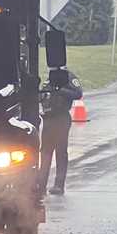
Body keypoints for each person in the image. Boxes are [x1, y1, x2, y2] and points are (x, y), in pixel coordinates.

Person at [39, 67, 83, 195]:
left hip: (61, 117)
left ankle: (59, 185)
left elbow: (78, 94)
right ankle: (41, 185)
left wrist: (60, 90)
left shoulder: (68, 77)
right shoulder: (49, 78)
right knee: (45, 152)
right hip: (48, 118)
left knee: (60, 152)